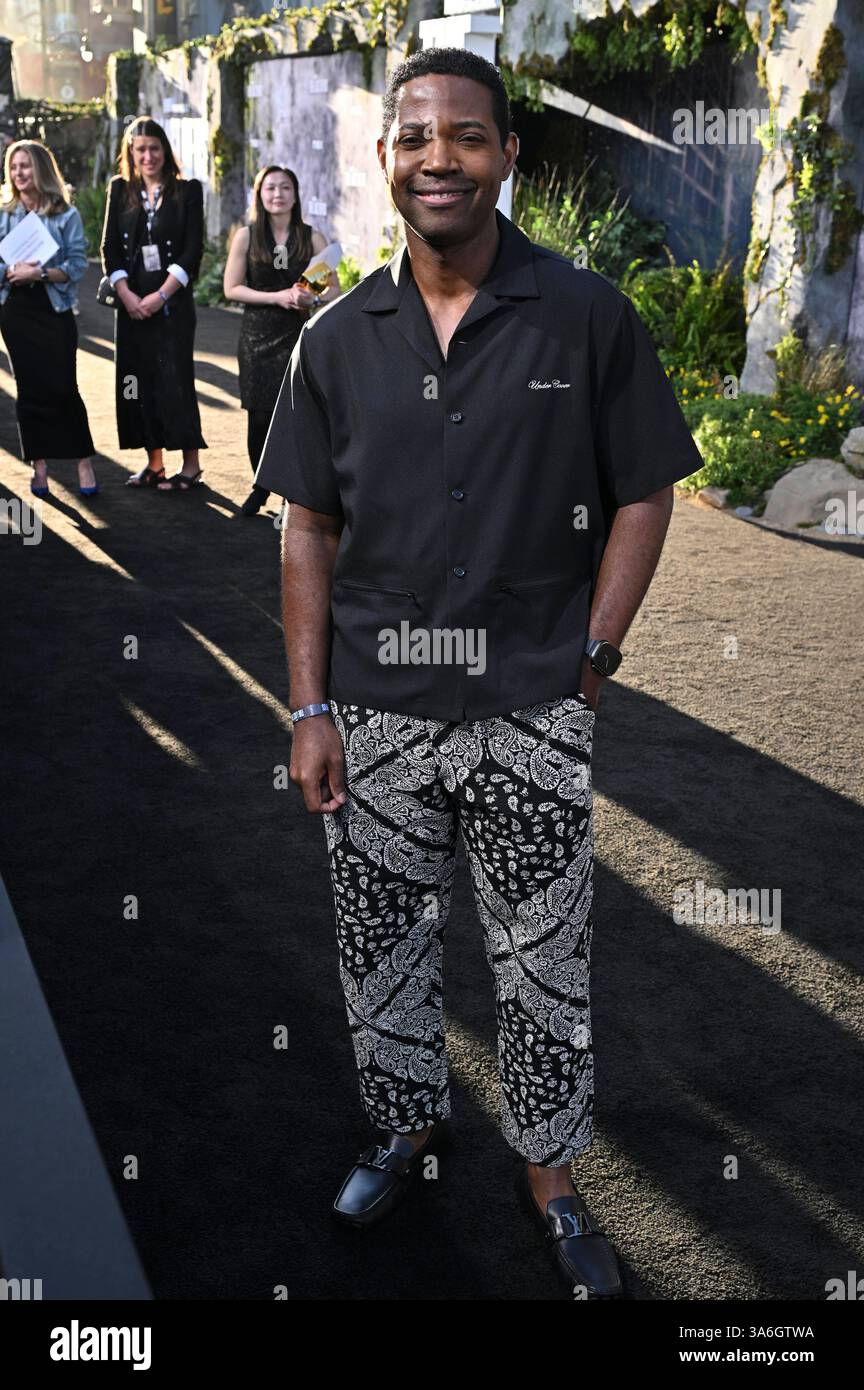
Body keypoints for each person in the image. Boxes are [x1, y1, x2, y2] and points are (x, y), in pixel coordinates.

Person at [255, 47, 703, 1297]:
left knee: (543, 955)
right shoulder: (338, 339)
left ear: (508, 155)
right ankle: (403, 1124)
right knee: (380, 945)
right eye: (412, 138)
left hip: (531, 711)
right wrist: (308, 706)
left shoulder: (588, 316)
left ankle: (550, 1171)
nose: (435, 158)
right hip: (379, 712)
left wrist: (593, 660)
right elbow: (308, 526)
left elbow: (645, 493)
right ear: (385, 159)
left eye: (464, 136)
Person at [223, 164, 341, 516]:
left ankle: (294, 496)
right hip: (257, 336)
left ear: (295, 194)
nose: (278, 194)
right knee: (259, 416)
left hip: (298, 335)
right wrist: (277, 297)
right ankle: (260, 487)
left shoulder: (311, 237)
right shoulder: (246, 236)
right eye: (270, 187)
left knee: (296, 415)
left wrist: (313, 298)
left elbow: (333, 289)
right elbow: (231, 288)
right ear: (260, 194)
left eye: (285, 187)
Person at [100, 116, 207, 491]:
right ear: (131, 153)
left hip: (172, 304)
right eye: (141, 149)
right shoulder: (120, 189)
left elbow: (193, 250)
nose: (148, 156)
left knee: (176, 379)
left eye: (155, 148)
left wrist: (160, 294)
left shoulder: (187, 190)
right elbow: (109, 248)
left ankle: (191, 465)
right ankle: (154, 463)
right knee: (137, 381)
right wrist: (127, 294)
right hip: (130, 305)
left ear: (165, 151)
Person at [0, 139, 97, 497]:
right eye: (13, 167)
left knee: (63, 387)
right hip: (15, 310)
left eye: (25, 166)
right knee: (29, 389)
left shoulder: (65, 214)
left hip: (53, 310)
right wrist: (12, 269)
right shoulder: (4, 212)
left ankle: (83, 462)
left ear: (41, 168)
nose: (18, 173)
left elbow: (75, 265)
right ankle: (38, 468)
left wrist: (38, 274)